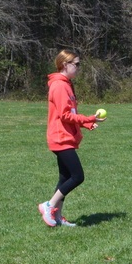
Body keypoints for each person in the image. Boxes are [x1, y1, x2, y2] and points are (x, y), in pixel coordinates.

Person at [38, 49, 104, 228]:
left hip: (64, 136)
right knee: (77, 176)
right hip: (61, 138)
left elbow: (71, 114)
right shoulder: (59, 86)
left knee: (64, 177)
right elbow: (65, 115)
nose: (79, 68)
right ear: (65, 64)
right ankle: (49, 206)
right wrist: (89, 118)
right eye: (76, 64)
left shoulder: (65, 84)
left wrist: (85, 124)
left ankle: (57, 217)